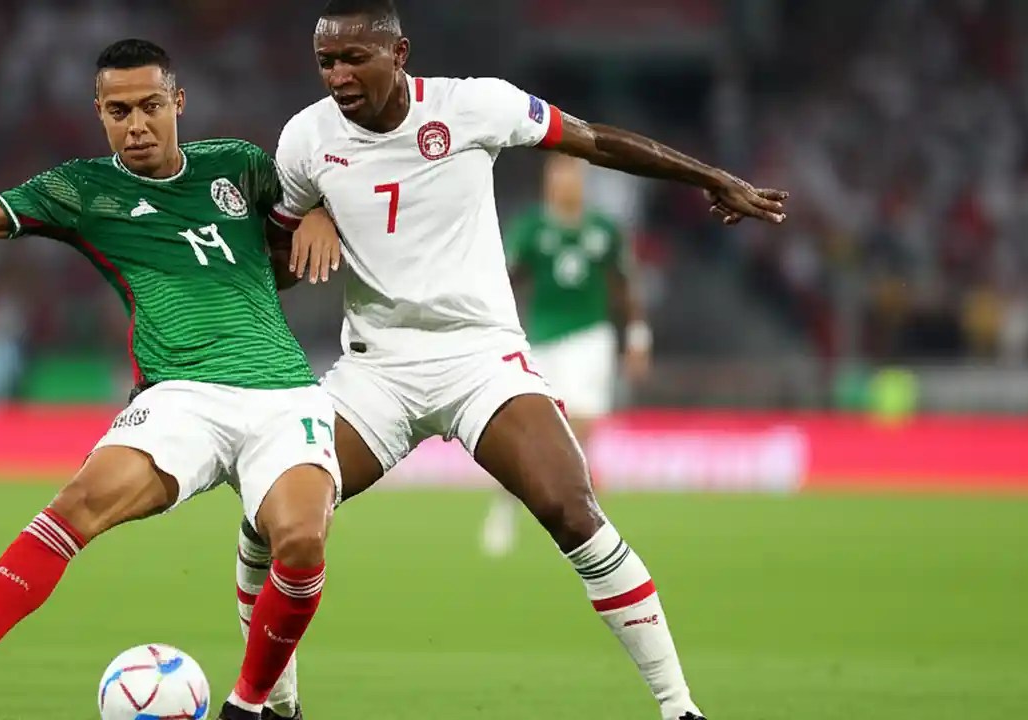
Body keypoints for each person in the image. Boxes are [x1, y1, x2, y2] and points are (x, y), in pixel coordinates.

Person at [235, 2, 790, 719]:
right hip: (376, 369)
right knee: (271, 517)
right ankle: (274, 706)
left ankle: (680, 708)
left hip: (480, 359)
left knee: (574, 509)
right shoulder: (305, 139)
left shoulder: (477, 105)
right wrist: (311, 216)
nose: (338, 75)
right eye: (326, 62)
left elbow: (594, 141)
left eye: (354, 58)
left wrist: (711, 176)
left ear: (399, 52)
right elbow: (274, 261)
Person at [0, 38, 342, 720]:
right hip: (181, 394)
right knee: (79, 500)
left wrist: (320, 209)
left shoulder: (239, 164)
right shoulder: (81, 189)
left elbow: (322, 187)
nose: (135, 125)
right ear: (99, 113)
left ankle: (249, 705)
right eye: (117, 111)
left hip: (283, 392)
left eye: (149, 107)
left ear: (179, 103)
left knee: (301, 541)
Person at [481, 154, 649, 556]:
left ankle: (579, 513)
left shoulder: (603, 230)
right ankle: (505, 507)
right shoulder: (532, 229)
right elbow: (507, 278)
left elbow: (624, 284)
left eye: (571, 177)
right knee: (527, 430)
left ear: (582, 183)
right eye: (557, 177)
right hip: (541, 340)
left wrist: (639, 337)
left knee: (584, 424)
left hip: (591, 337)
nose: (564, 185)